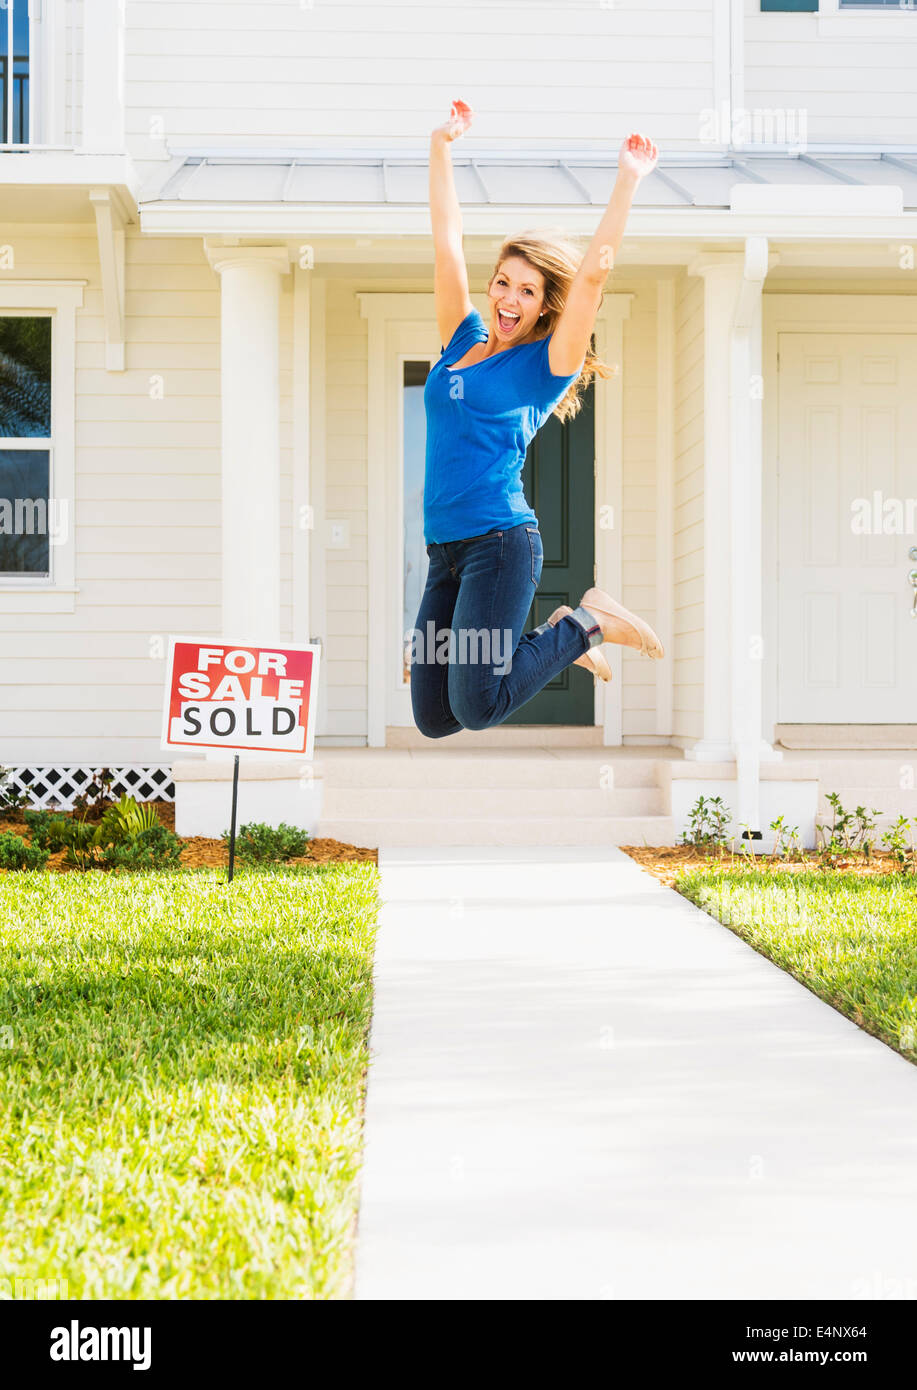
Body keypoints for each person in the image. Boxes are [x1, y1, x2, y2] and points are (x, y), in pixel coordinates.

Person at [411, 99, 664, 739]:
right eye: (502, 283)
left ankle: (585, 623)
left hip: (499, 545)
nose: (508, 299)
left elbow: (593, 279)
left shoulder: (546, 365)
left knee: (478, 705)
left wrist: (627, 180)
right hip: (444, 552)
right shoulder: (461, 339)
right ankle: (560, 634)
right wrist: (441, 147)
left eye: (527, 291)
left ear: (542, 304)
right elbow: (446, 241)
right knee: (435, 716)